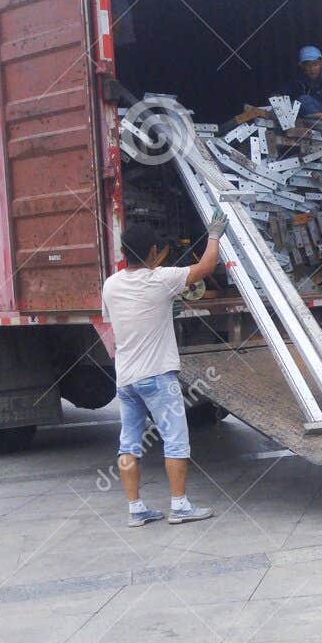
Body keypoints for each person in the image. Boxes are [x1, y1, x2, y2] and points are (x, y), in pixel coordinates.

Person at [101, 215, 226, 526]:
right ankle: (180, 505)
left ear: (123, 251)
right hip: (158, 377)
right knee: (175, 440)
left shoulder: (111, 285)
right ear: (154, 251)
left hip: (126, 379)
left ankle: (136, 509)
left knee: (128, 443)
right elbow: (205, 268)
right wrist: (214, 235)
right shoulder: (162, 279)